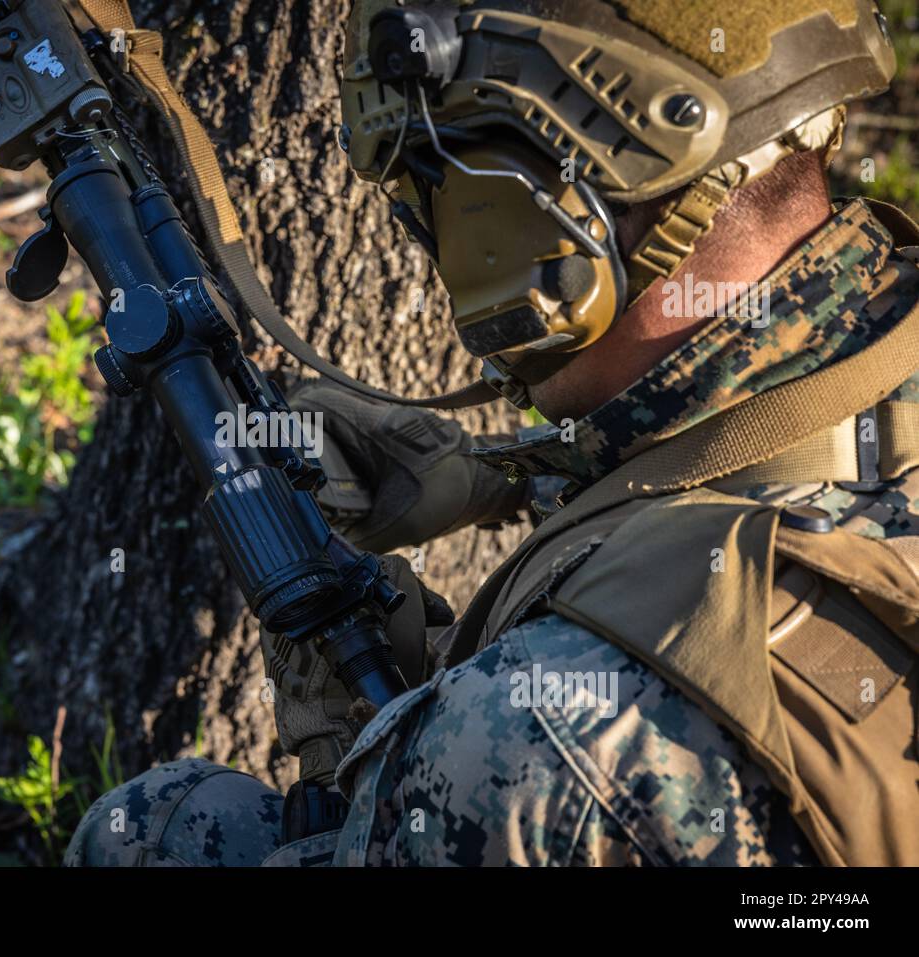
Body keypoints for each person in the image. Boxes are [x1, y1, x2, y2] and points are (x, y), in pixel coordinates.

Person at [67, 0, 919, 866]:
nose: (425, 232)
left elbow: (571, 764)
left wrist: (391, 753)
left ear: (535, 202)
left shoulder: (536, 753)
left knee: (154, 831)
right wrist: (503, 479)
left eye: (435, 173)